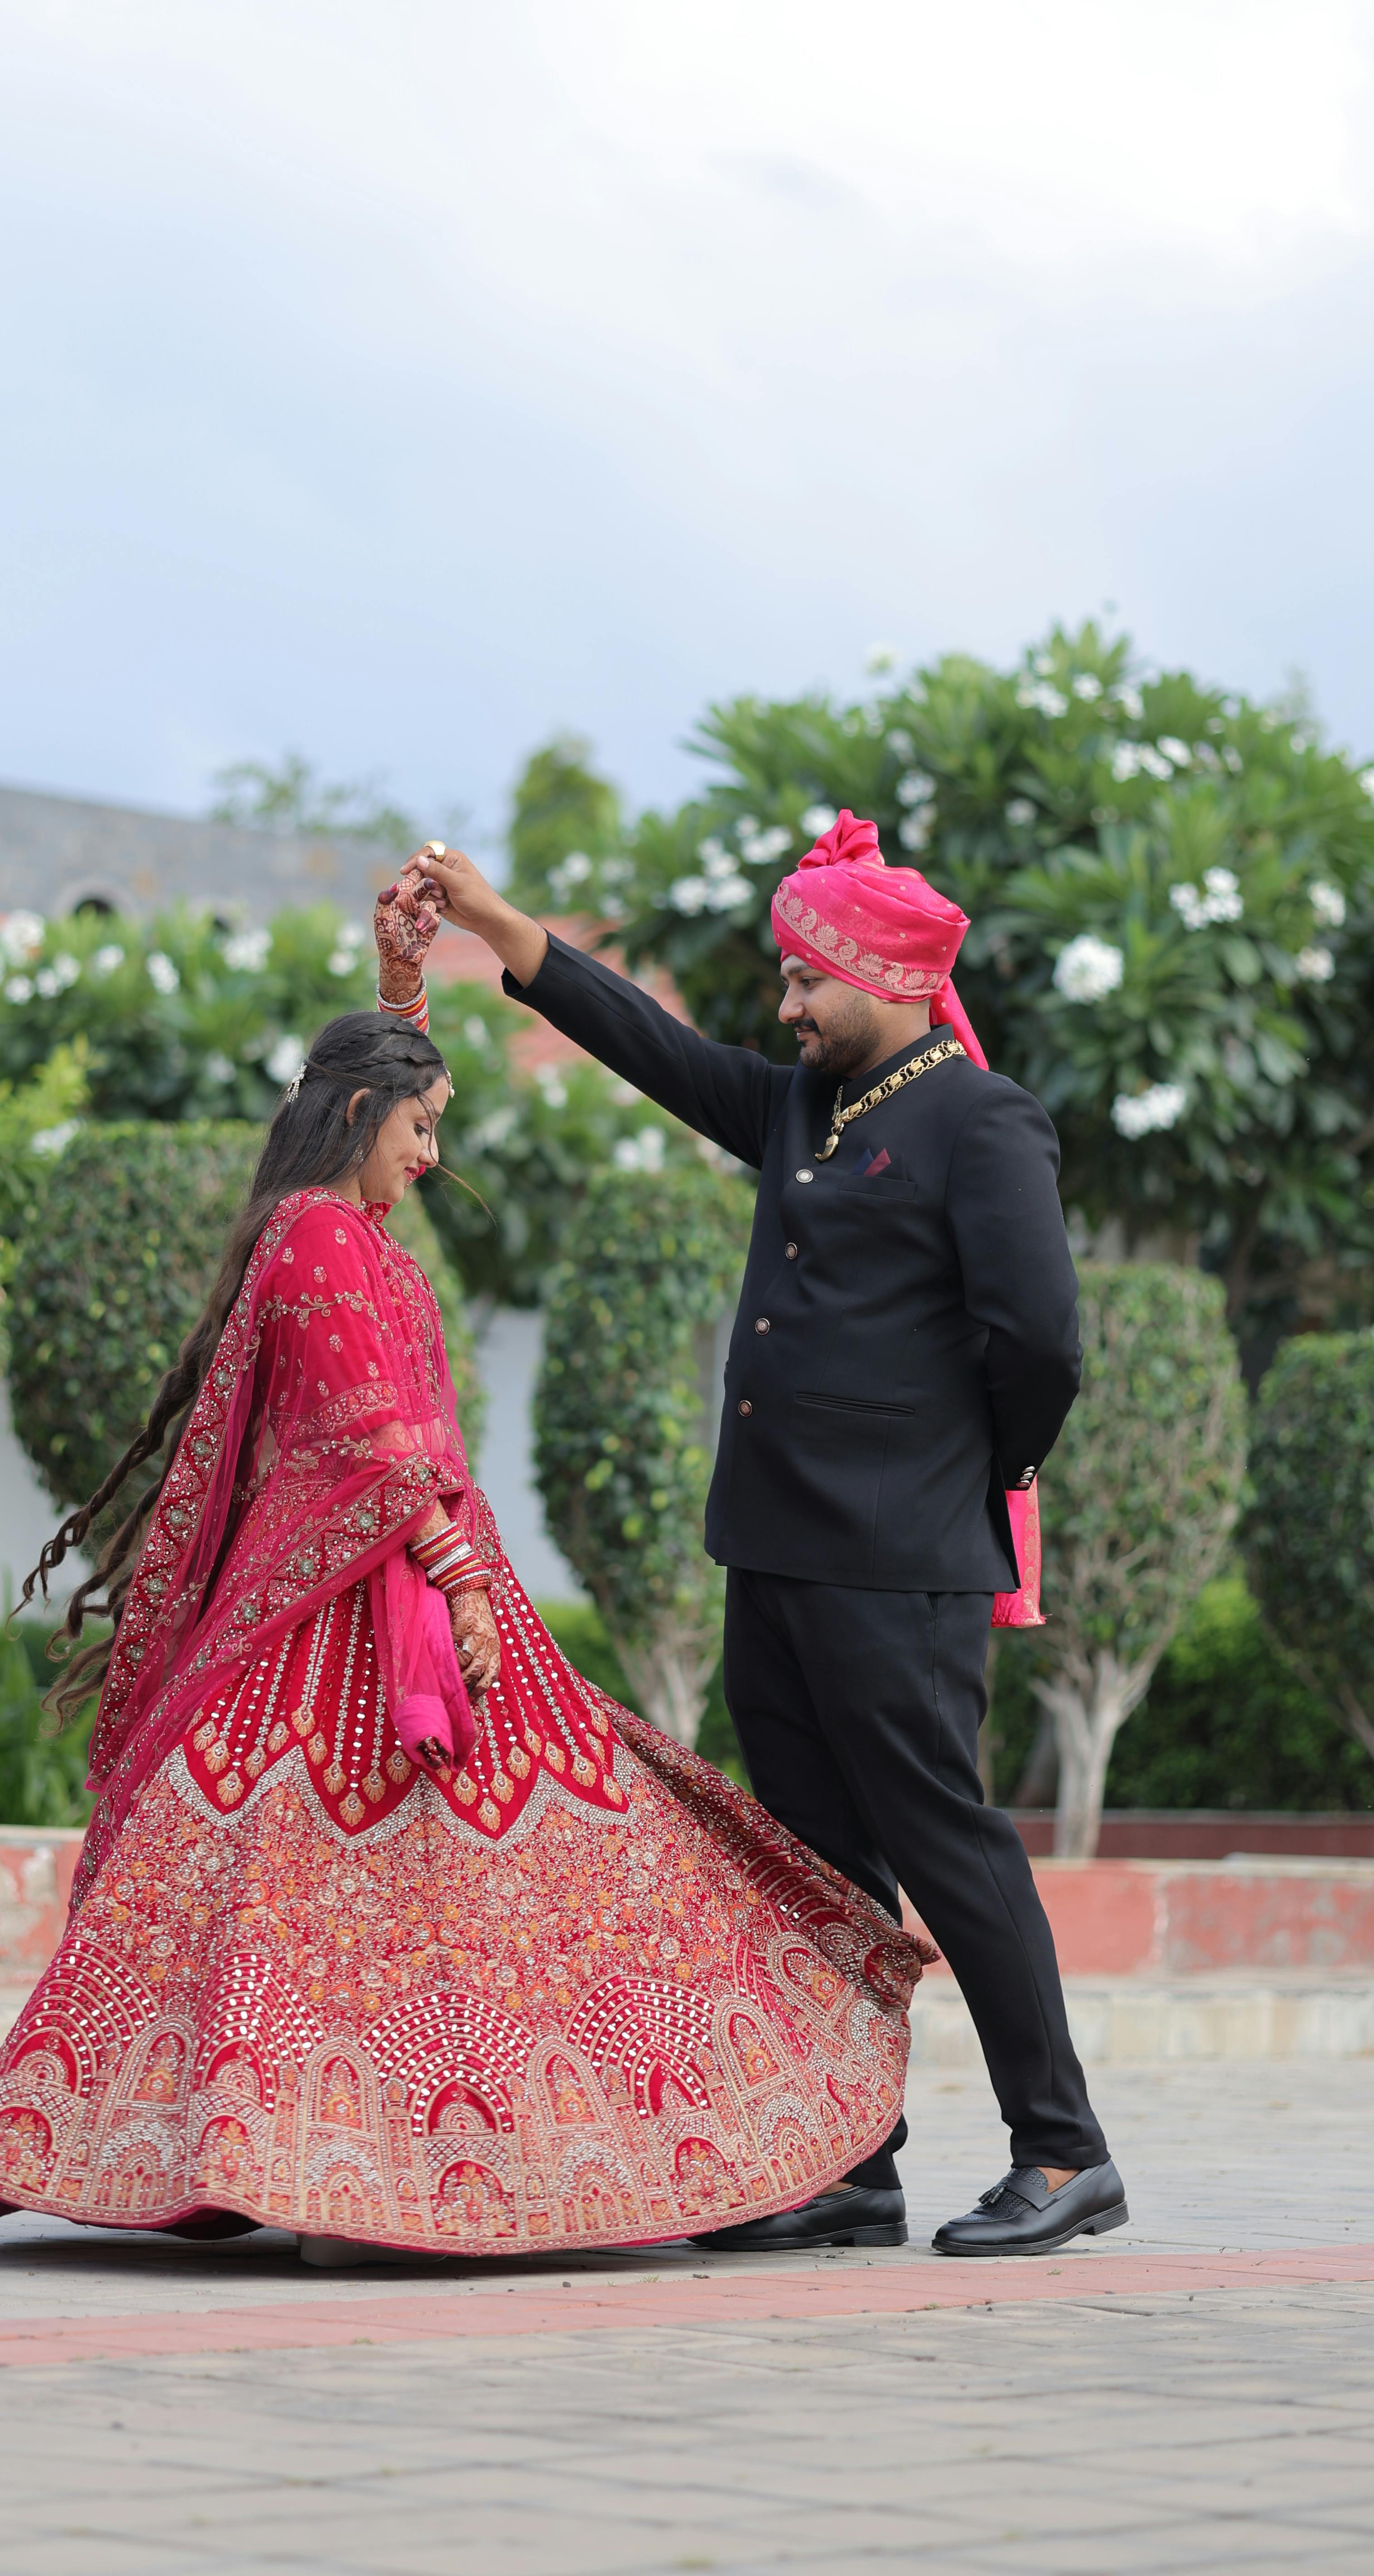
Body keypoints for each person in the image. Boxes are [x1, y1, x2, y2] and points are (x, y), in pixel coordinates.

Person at [0, 883, 930, 2260]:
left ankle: (391, 2170)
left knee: (453, 1903)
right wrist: (463, 1585)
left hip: (396, 1592)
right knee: (362, 1897)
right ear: (361, 1118)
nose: (430, 1152)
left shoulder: (348, 1231)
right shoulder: (315, 1237)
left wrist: (405, 979)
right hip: (352, 1613)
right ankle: (320, 2169)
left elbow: (383, 1128)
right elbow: (368, 1432)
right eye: (419, 1126)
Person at [399, 814, 1127, 2258]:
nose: (786, 1005)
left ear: (888, 978)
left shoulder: (982, 1120)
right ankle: (848, 2164)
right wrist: (494, 921)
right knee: (814, 1863)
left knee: (946, 1846)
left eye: (807, 980)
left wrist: (971, 1472)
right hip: (776, 1548)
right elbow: (651, 1046)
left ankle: (1064, 2150)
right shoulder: (809, 1108)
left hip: (902, 1560)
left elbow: (1040, 1342)